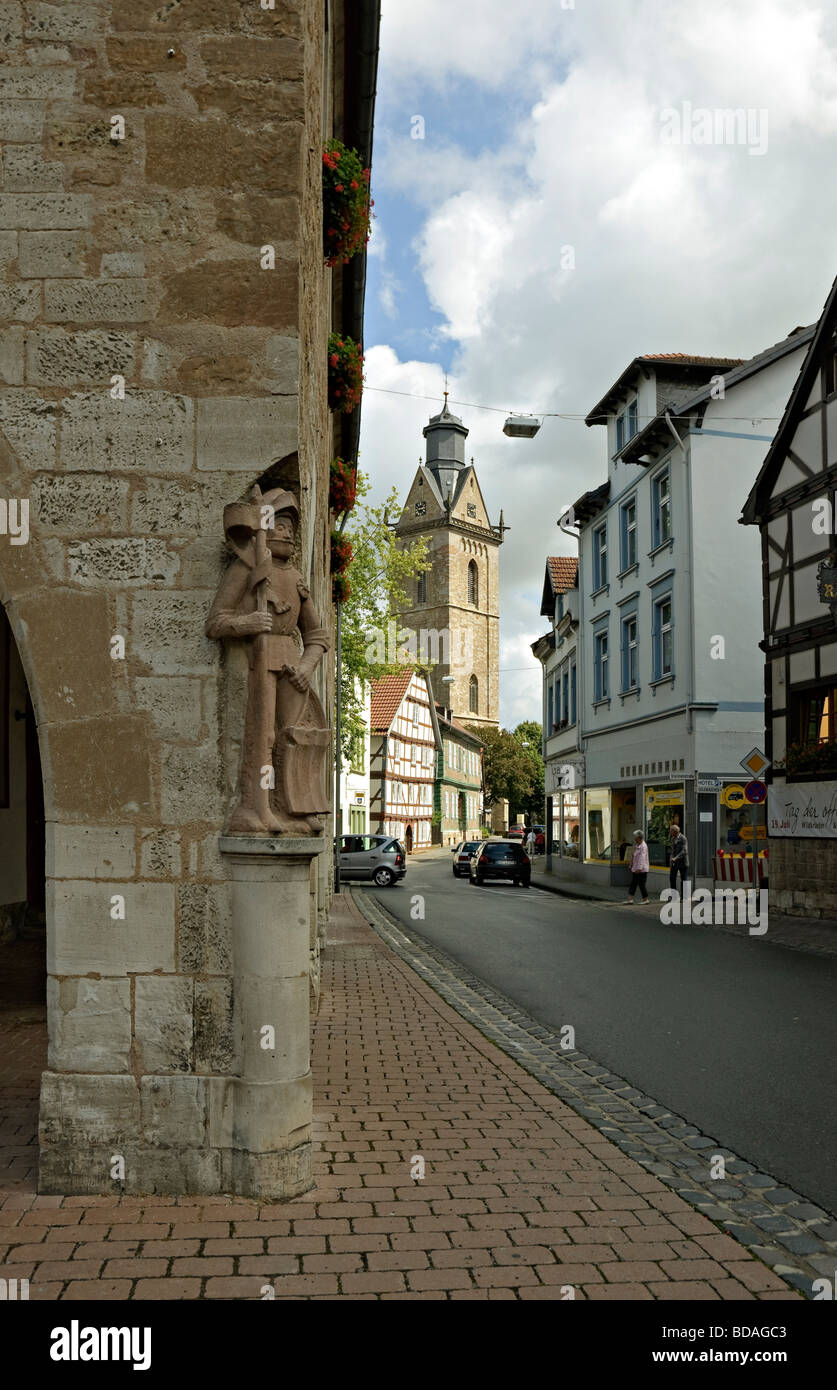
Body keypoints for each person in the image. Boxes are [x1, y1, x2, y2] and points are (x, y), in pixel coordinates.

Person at [625, 830, 650, 904]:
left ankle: (645, 899)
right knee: (633, 883)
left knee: (641, 884)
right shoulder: (637, 845)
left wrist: (639, 868)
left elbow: (642, 858)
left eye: (635, 837)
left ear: (639, 837)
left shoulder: (643, 846)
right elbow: (634, 856)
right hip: (636, 868)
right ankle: (630, 899)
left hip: (642, 869)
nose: (634, 839)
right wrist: (631, 864)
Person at [669, 821, 690, 899]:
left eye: (671, 831)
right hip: (674, 862)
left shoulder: (683, 838)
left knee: (684, 880)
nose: (670, 832)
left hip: (683, 862)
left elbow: (684, 851)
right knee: (672, 878)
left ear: (675, 831)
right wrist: (671, 858)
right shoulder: (672, 838)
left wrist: (676, 858)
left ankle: (684, 897)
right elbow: (672, 850)